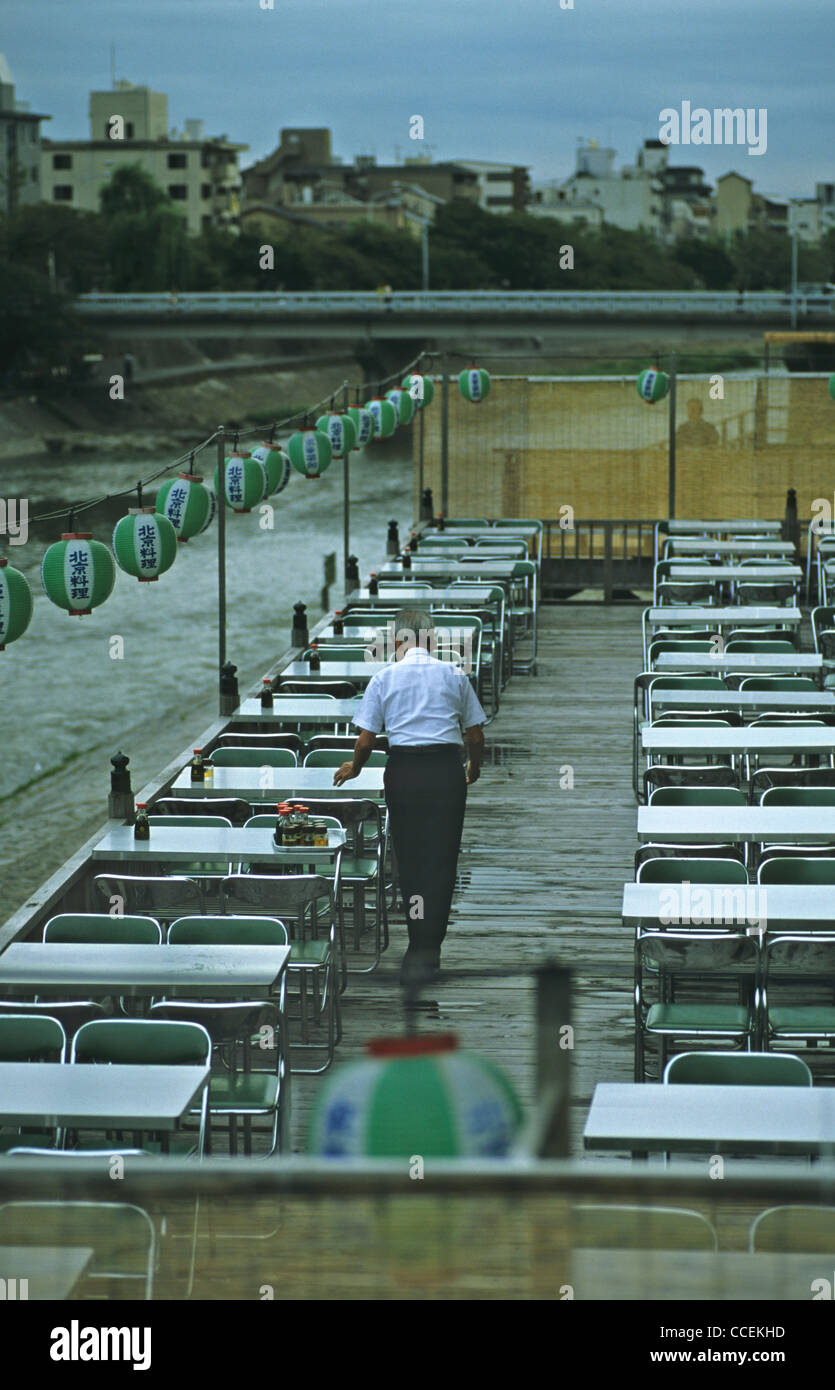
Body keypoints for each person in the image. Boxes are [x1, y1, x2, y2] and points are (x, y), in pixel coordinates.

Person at [334, 607, 486, 993]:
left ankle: (417, 944)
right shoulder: (455, 675)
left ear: (398, 640)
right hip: (445, 774)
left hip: (403, 773)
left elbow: (366, 740)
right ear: (432, 640)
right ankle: (428, 948)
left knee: (410, 859)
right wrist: (474, 767)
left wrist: (355, 766)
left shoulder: (383, 678)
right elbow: (474, 734)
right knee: (442, 859)